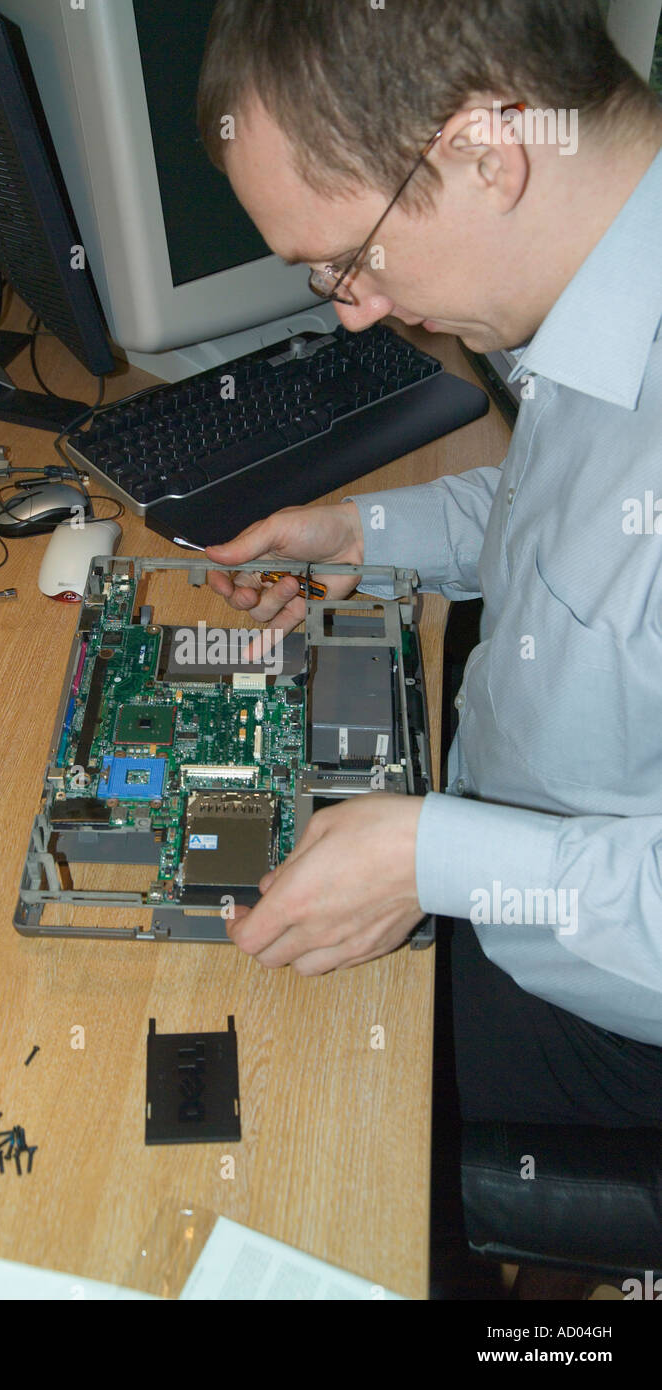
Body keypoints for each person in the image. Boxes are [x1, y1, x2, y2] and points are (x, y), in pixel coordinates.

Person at [195, 0, 662, 1126]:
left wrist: (434, 861)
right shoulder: (591, 292)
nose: (355, 315)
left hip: (605, 1018)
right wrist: (365, 535)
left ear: (482, 152)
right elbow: (580, 523)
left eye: (346, 260)